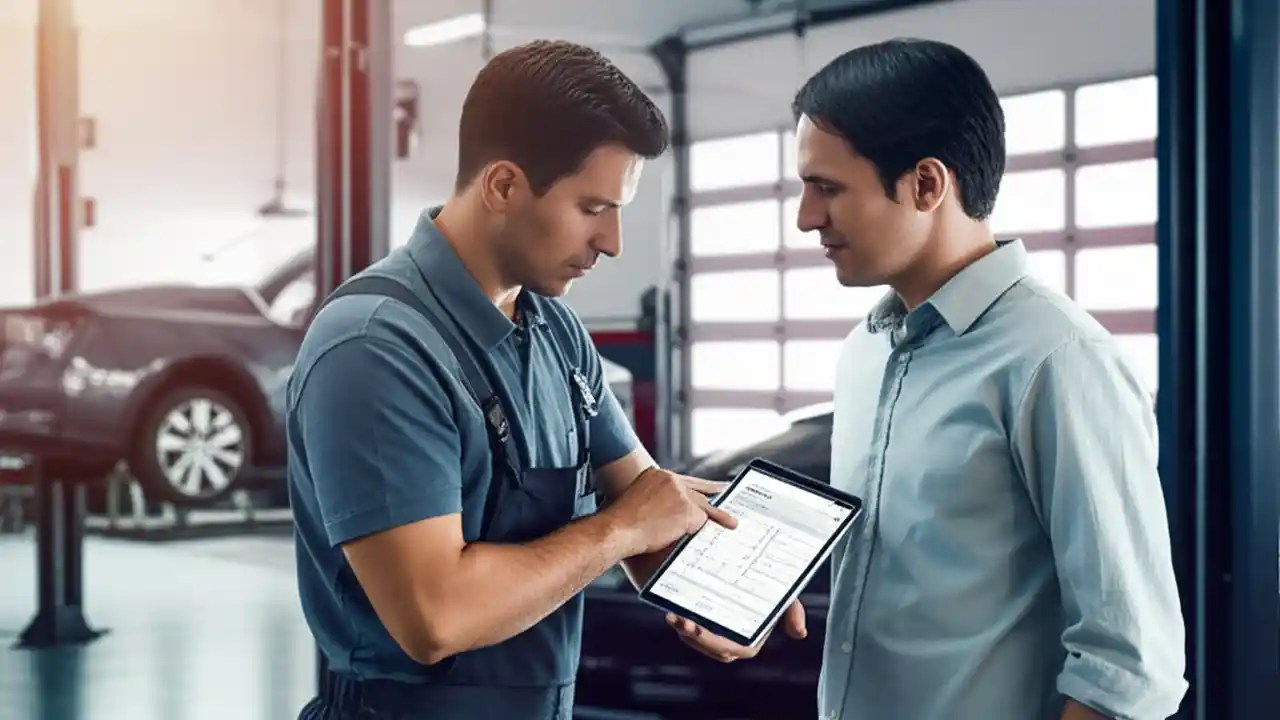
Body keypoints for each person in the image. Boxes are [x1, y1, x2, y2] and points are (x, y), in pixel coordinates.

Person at [285, 40, 797, 720]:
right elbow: (435, 616)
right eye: (592, 208)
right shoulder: (375, 345)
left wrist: (725, 581)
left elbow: (646, 501)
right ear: (503, 185)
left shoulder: (554, 333)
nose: (612, 241)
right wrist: (618, 533)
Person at [784, 37, 1185, 719]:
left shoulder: (1059, 361)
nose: (806, 218)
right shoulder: (866, 353)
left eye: (827, 188)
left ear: (927, 184)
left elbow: (1129, 665)